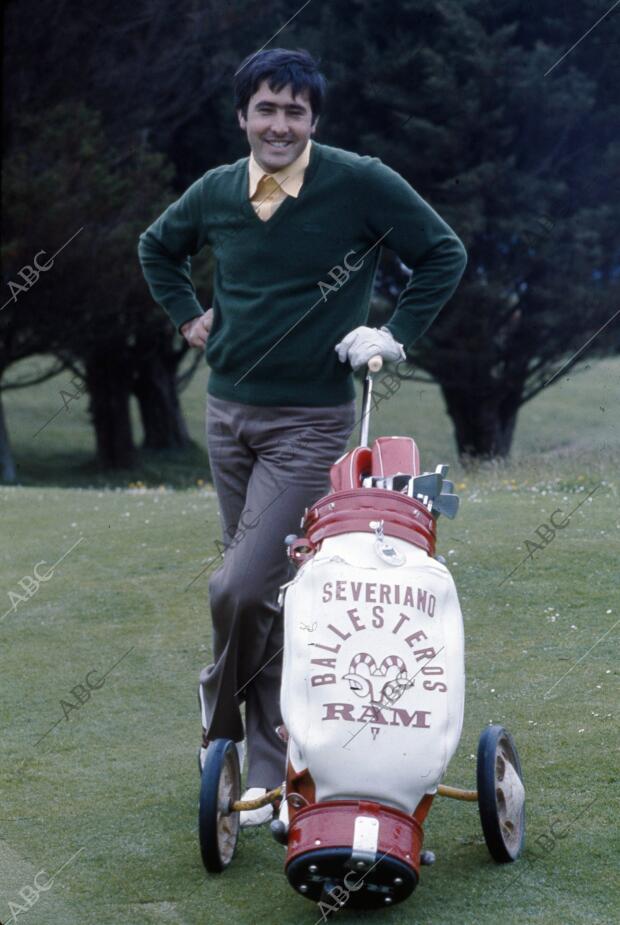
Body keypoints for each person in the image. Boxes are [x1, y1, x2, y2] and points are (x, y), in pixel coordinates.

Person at [137, 47, 467, 826]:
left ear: (313, 120)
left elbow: (442, 253)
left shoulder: (358, 180)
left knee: (241, 587)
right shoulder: (219, 190)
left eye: (294, 112)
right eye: (266, 109)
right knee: (270, 598)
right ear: (243, 115)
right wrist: (189, 313)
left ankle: (218, 731)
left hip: (313, 425)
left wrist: (394, 334)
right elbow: (159, 245)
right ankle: (266, 767)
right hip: (228, 419)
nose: (279, 124)